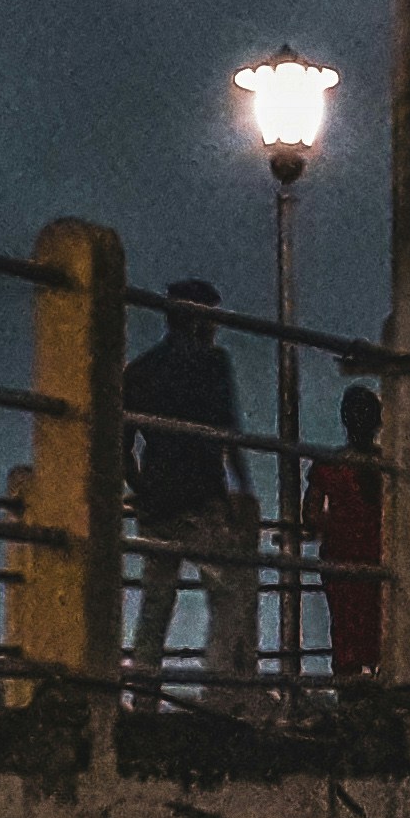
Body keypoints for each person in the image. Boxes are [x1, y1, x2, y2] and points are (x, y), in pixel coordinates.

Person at [122, 282, 258, 715]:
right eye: (213, 317)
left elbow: (122, 444)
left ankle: (143, 698)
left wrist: (142, 489)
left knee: (155, 601)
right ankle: (218, 693)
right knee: (227, 593)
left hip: (158, 500)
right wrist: (244, 490)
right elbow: (228, 432)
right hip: (202, 497)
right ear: (200, 318)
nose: (217, 327)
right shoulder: (213, 364)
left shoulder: (140, 370)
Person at [300, 385, 385, 682]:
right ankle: (378, 680)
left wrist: (335, 525)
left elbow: (309, 516)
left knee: (346, 627)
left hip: (342, 557)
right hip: (379, 556)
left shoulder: (328, 466)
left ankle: (348, 686)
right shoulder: (389, 467)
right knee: (381, 625)